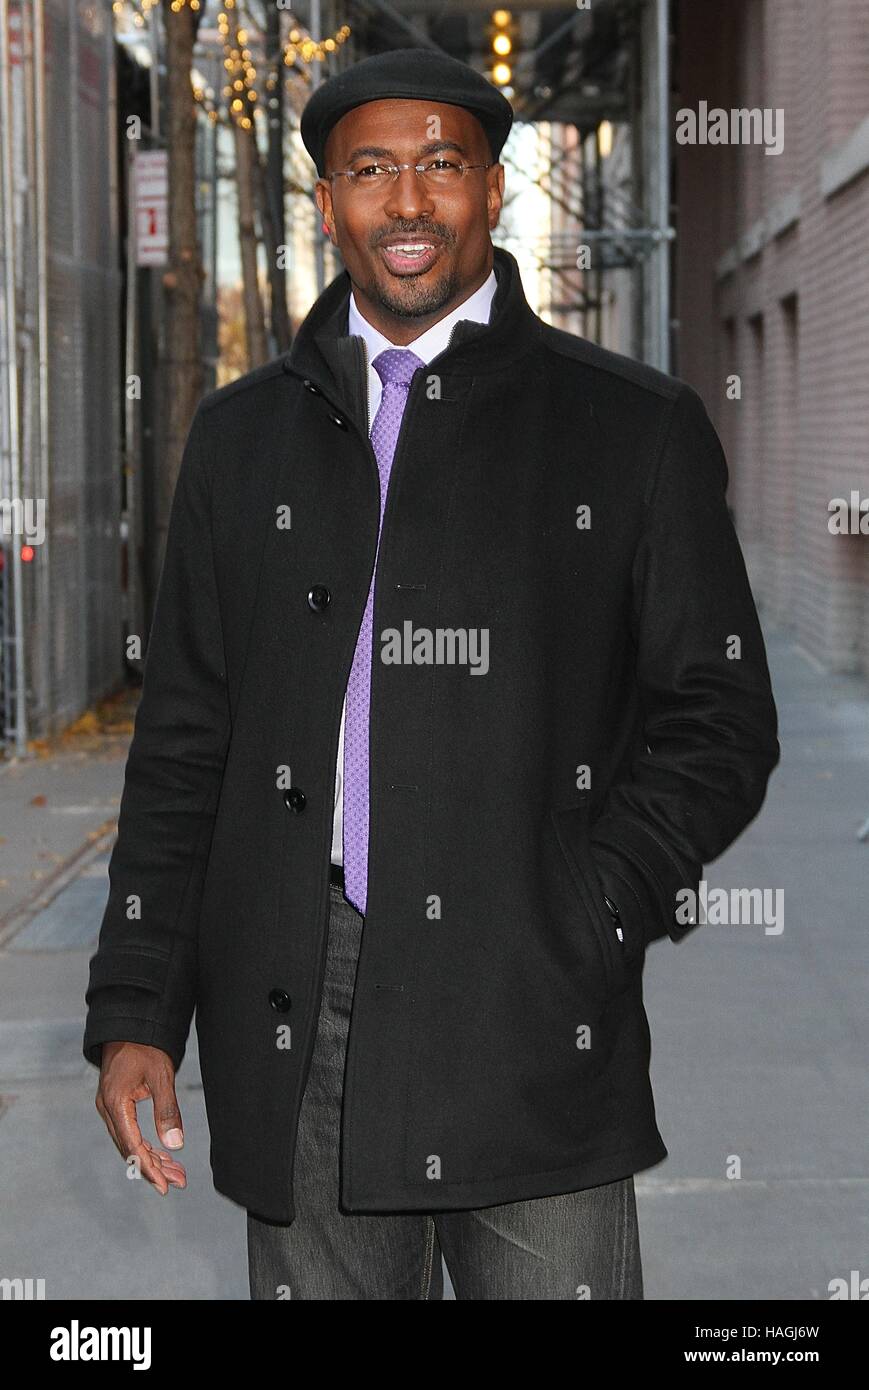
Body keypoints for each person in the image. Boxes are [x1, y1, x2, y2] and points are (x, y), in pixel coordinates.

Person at [84, 47, 780, 1300]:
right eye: (370, 171)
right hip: (301, 1006)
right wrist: (139, 1004)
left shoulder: (630, 427)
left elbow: (719, 716)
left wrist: (593, 901)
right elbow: (186, 739)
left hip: (529, 1018)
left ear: (493, 190)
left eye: (440, 165)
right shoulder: (240, 442)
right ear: (328, 201)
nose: (407, 202)